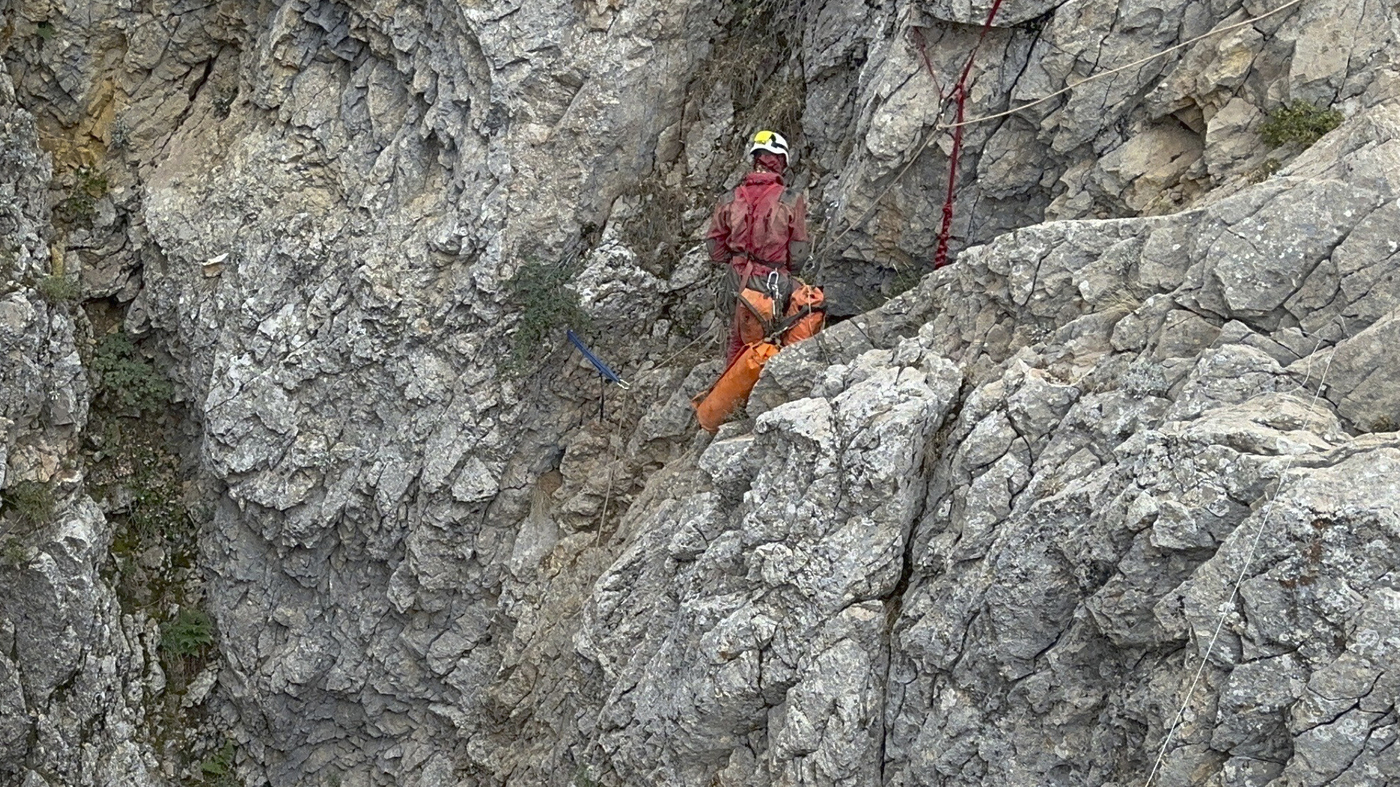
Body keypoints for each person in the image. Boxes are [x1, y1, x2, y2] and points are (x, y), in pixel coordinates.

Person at [704, 130, 811, 364]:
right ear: (781, 161)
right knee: (771, 337)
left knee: (737, 336)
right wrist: (787, 273)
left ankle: (730, 385)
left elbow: (714, 247)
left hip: (736, 277)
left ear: (755, 160)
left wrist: (737, 261)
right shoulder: (791, 199)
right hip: (772, 281)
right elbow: (799, 251)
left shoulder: (729, 197)